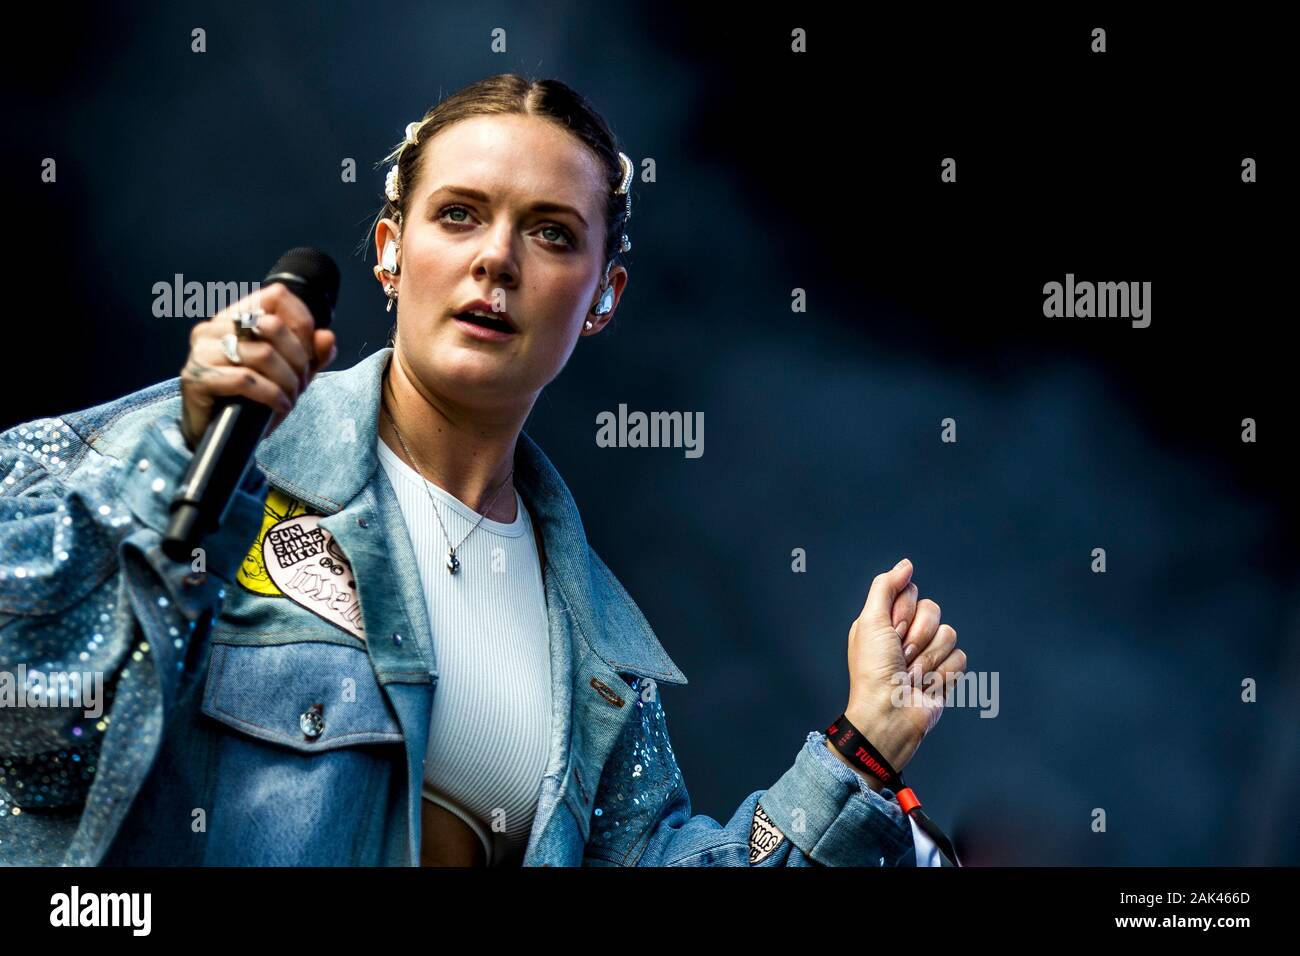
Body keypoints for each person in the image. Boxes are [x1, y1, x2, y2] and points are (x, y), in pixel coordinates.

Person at [0, 74, 966, 867]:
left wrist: (860, 750)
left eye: (551, 232)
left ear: (602, 297)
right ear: (391, 251)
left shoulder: (598, 652)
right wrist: (176, 461)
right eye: (459, 214)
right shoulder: (202, 452)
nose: (497, 259)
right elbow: (31, 729)